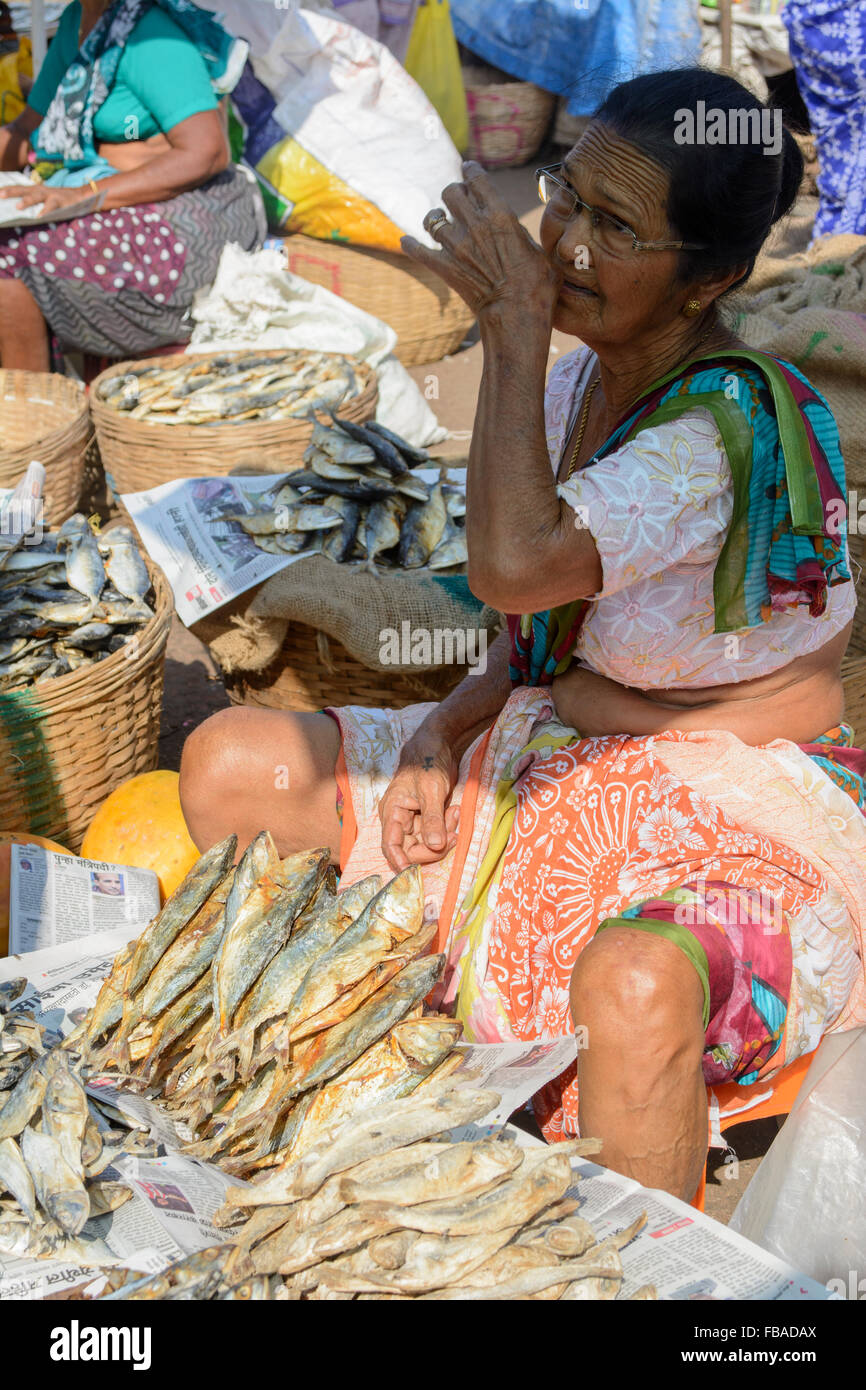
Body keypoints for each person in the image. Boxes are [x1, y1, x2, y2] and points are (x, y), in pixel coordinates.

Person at [179, 68, 866, 1203]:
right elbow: (525, 626)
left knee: (636, 981)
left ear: (712, 281)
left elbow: (512, 565)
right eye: (569, 202)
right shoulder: (573, 386)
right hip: (557, 750)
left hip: (736, 801)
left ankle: (648, 1268)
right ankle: (324, 1091)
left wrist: (506, 338)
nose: (570, 246)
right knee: (232, 763)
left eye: (615, 227)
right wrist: (448, 728)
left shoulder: (712, 433)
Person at [0, 0, 264, 369]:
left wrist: (81, 195)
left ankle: (33, 410)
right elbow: (27, 129)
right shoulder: (78, 19)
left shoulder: (152, 36)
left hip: (181, 221)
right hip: (102, 201)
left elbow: (207, 152)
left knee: (7, 252)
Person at [783, 0, 866, 238]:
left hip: (816, 22)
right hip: (839, 24)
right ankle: (845, 234)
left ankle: (838, 231)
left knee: (841, 142)